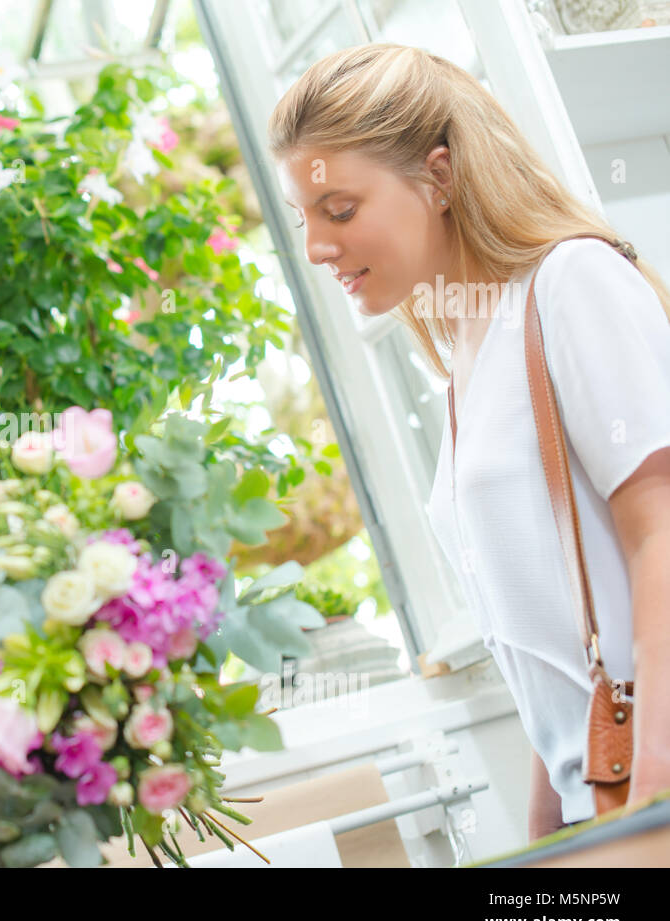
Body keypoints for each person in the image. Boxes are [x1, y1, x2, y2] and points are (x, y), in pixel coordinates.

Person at [268, 43, 670, 842]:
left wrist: (653, 793)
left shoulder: (571, 283)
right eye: (304, 218)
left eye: (339, 210)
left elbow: (660, 530)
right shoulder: (469, 359)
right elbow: (545, 652)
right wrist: (546, 841)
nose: (315, 247)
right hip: (599, 801)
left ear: (440, 178)